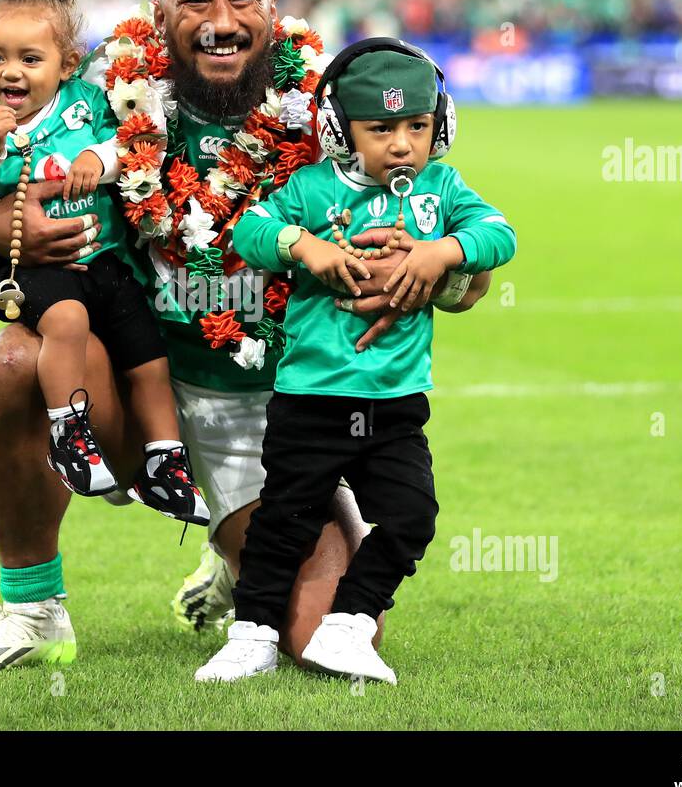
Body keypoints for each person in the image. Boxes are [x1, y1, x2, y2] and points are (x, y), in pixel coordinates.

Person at [0, 0, 495, 674]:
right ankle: (33, 610)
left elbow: (468, 261)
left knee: (326, 637)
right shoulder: (109, 93)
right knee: (13, 362)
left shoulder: (330, 118)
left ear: (274, 10)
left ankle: (234, 553)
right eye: (196, 1)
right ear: (160, 16)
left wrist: (439, 271)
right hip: (133, 374)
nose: (221, 22)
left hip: (282, 414)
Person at [195, 39, 517, 684]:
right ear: (340, 131)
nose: (402, 144)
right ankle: (251, 633)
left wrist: (442, 252)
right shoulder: (310, 188)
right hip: (311, 396)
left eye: (418, 127)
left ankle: (351, 624)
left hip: (396, 401)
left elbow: (500, 234)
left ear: (441, 126)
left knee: (411, 516)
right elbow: (249, 230)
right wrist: (303, 246)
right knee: (285, 520)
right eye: (381, 129)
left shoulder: (442, 187)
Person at [0, 0, 208, 526]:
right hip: (39, 270)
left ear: (65, 66)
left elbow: (126, 148)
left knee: (148, 355)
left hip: (106, 264)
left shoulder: (85, 105)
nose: (12, 72)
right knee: (65, 323)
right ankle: (68, 430)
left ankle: (164, 460)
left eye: (30, 59)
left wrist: (95, 158)